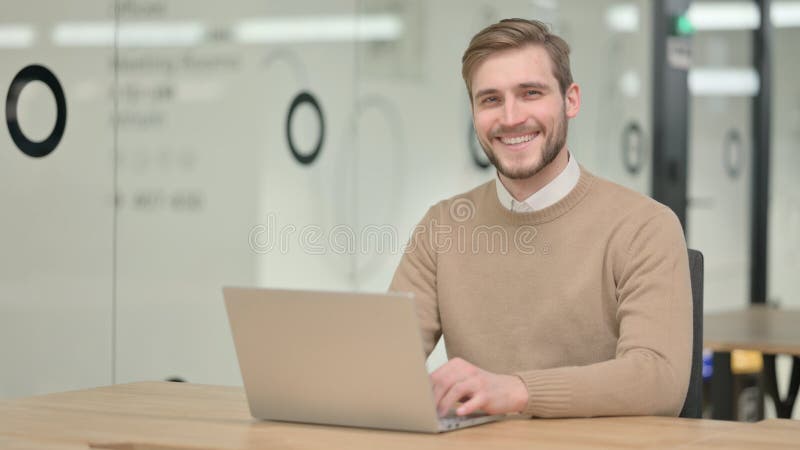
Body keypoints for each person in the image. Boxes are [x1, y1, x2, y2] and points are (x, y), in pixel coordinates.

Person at [389, 18, 692, 419]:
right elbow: (384, 360)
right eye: (491, 99)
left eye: (530, 93)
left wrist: (519, 391)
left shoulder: (645, 227)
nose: (511, 117)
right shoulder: (442, 227)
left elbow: (659, 379)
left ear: (571, 100)